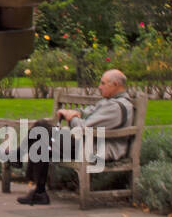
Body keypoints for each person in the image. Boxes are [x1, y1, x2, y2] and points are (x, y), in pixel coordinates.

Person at [18, 68, 134, 206]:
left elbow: (83, 127)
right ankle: (38, 191)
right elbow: (87, 113)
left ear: (115, 85)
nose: (99, 86)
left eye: (103, 83)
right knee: (42, 134)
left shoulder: (115, 107)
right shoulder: (109, 101)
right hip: (87, 142)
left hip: (95, 149)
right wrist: (74, 113)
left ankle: (20, 160)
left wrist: (71, 117)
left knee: (41, 130)